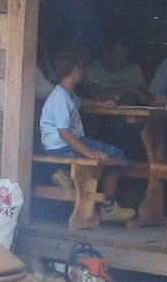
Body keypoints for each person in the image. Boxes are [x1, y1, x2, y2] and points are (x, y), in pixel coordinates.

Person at [39, 48, 136, 222]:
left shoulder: (66, 93)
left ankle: (66, 176)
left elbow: (79, 102)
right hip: (62, 147)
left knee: (107, 155)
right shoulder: (60, 98)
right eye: (82, 68)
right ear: (76, 70)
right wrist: (89, 153)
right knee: (116, 156)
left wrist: (100, 104)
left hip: (61, 145)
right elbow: (64, 133)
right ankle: (108, 207)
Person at [84, 36, 148, 103]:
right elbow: (95, 95)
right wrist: (126, 90)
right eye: (118, 55)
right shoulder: (93, 69)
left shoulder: (134, 70)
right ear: (106, 51)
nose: (123, 59)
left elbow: (146, 96)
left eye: (124, 55)